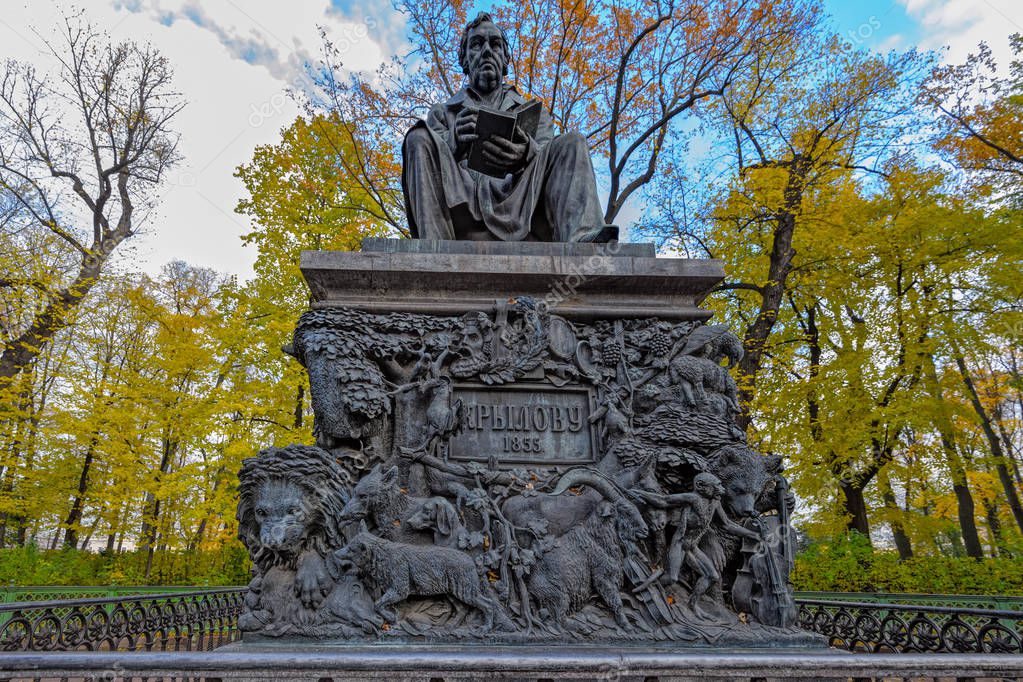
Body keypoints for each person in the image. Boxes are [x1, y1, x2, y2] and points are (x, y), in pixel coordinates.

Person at [401, 13, 616, 243]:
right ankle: (435, 252)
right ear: (464, 60)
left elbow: (553, 164)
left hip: (522, 204)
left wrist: (526, 153)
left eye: (494, 44)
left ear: (505, 59)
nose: (486, 51)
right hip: (463, 207)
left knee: (573, 142)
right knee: (418, 138)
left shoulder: (535, 114)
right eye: (476, 44)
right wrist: (453, 141)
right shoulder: (443, 113)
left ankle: (581, 237)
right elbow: (427, 167)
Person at [630, 472, 763, 618]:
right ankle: (642, 594)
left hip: (692, 547)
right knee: (672, 578)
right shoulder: (693, 498)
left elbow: (727, 525)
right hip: (680, 544)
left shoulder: (714, 503)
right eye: (716, 485)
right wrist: (638, 493)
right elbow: (664, 501)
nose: (721, 489)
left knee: (712, 576)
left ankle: (693, 605)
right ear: (701, 486)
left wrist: (754, 535)